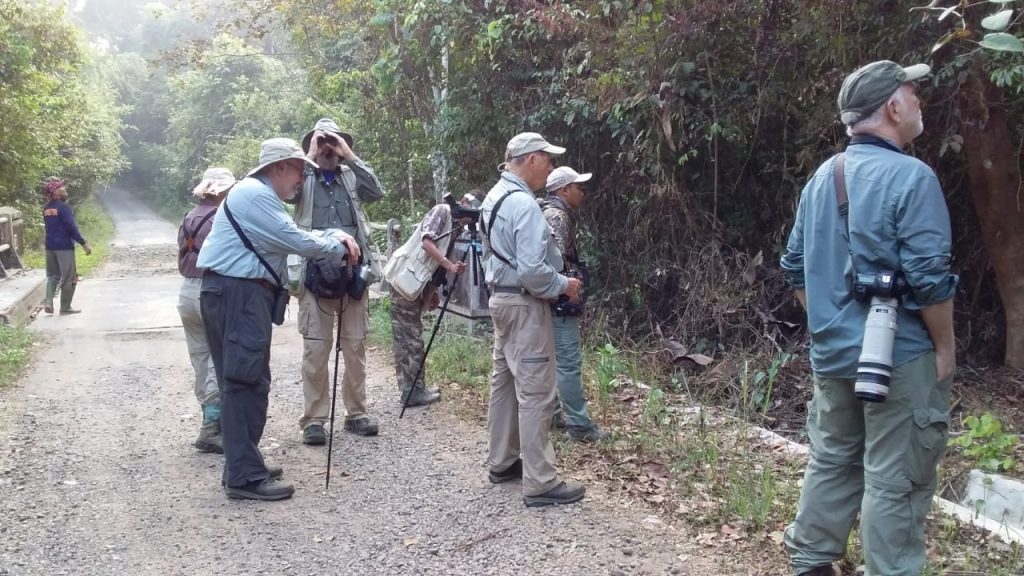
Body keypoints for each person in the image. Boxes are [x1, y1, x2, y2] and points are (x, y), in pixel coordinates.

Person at [779, 61, 957, 576]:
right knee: (894, 476)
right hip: (899, 357)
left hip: (833, 354)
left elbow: (793, 265)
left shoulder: (822, 176)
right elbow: (929, 278)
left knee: (833, 456)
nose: (919, 101)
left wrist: (831, 321)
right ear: (894, 107)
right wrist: (944, 348)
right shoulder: (913, 177)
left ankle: (812, 559)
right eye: (912, 92)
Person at [197, 138, 359, 501]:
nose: (302, 178)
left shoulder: (256, 195)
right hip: (238, 295)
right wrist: (337, 244)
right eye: (300, 170)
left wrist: (334, 235)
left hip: (235, 294)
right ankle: (244, 475)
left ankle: (242, 462)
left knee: (246, 380)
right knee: (244, 381)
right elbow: (293, 240)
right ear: (281, 166)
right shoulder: (255, 194)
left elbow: (292, 235)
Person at [479, 132, 586, 508]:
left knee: (505, 385)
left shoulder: (495, 197)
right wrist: (564, 284)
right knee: (537, 391)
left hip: (502, 302)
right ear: (531, 160)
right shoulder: (523, 204)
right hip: (524, 305)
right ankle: (540, 481)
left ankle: (503, 461)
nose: (551, 168)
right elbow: (532, 272)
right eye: (548, 159)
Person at [288, 118, 385, 445]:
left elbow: (377, 191)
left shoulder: (350, 176)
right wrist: (311, 155)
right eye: (323, 141)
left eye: (335, 141)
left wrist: (350, 156)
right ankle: (314, 420)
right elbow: (288, 195)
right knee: (316, 348)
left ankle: (356, 413)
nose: (330, 148)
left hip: (353, 273)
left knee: (355, 347)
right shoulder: (302, 176)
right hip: (314, 275)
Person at [385, 193, 481, 407]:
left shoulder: (457, 228)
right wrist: (449, 265)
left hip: (417, 285)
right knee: (410, 340)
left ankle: (411, 389)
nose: (471, 218)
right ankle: (413, 391)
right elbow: (427, 243)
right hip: (405, 282)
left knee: (408, 337)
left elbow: (433, 264)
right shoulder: (443, 212)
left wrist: (433, 292)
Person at [541, 167, 610, 443]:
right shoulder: (556, 216)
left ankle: (555, 413)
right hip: (559, 299)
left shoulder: (548, 212)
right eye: (577, 186)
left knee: (550, 360)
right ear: (563, 190)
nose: (582, 191)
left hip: (550, 297)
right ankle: (579, 425)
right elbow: (552, 259)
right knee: (568, 361)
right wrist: (565, 288)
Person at [176, 168, 235, 453]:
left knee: (199, 357)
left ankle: (208, 418)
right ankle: (213, 427)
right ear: (222, 191)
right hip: (210, 289)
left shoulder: (190, 216)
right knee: (217, 356)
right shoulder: (222, 217)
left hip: (186, 291)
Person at [41, 179, 91, 315]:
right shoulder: (64, 208)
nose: (65, 189)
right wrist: (83, 243)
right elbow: (71, 228)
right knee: (69, 277)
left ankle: (48, 301)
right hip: (64, 247)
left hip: (50, 246)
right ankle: (65, 307)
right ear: (56, 192)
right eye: (62, 188)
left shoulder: (46, 208)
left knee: (52, 276)